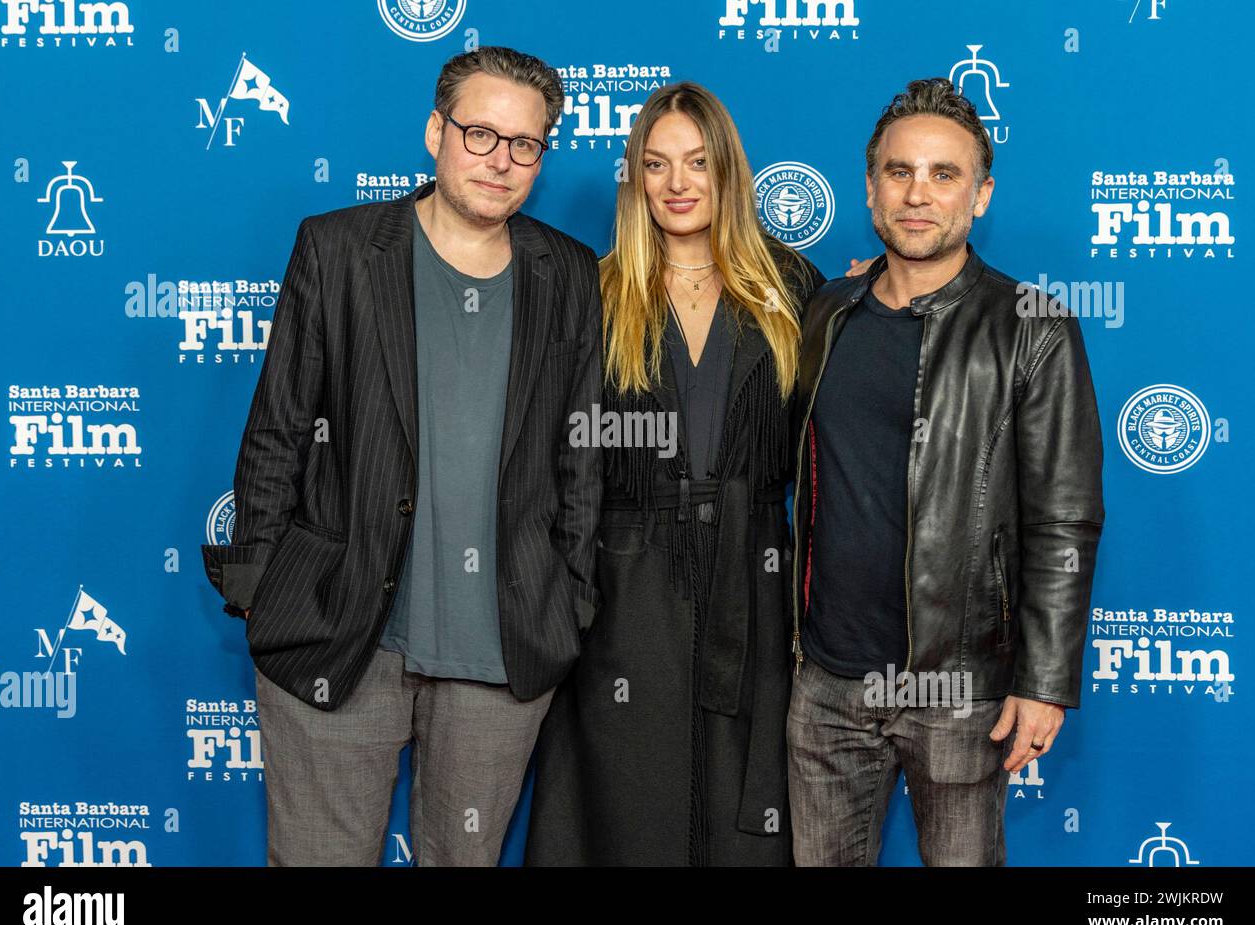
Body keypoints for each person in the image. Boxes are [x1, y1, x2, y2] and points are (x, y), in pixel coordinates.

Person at [200, 46, 603, 866]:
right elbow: (279, 424)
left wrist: (571, 599)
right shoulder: (340, 249)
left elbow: (581, 454)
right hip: (338, 627)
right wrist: (260, 586)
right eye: (480, 134)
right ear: (435, 131)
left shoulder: (567, 272)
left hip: (502, 644)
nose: (501, 160)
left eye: (525, 144)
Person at [787, 78, 1105, 866]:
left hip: (961, 688)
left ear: (981, 194)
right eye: (899, 173)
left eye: (944, 174)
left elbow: (1065, 518)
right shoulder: (828, 313)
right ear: (870, 189)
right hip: (828, 680)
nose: (918, 194)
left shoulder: (1034, 327)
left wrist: (1045, 680)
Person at [526, 81, 826, 866]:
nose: (678, 184)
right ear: (635, 179)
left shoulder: (797, 290)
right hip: (624, 591)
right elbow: (554, 462)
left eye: (698, 162)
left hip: (753, 583)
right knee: (626, 813)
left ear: (728, 171)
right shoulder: (593, 292)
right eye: (655, 165)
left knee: (745, 816)